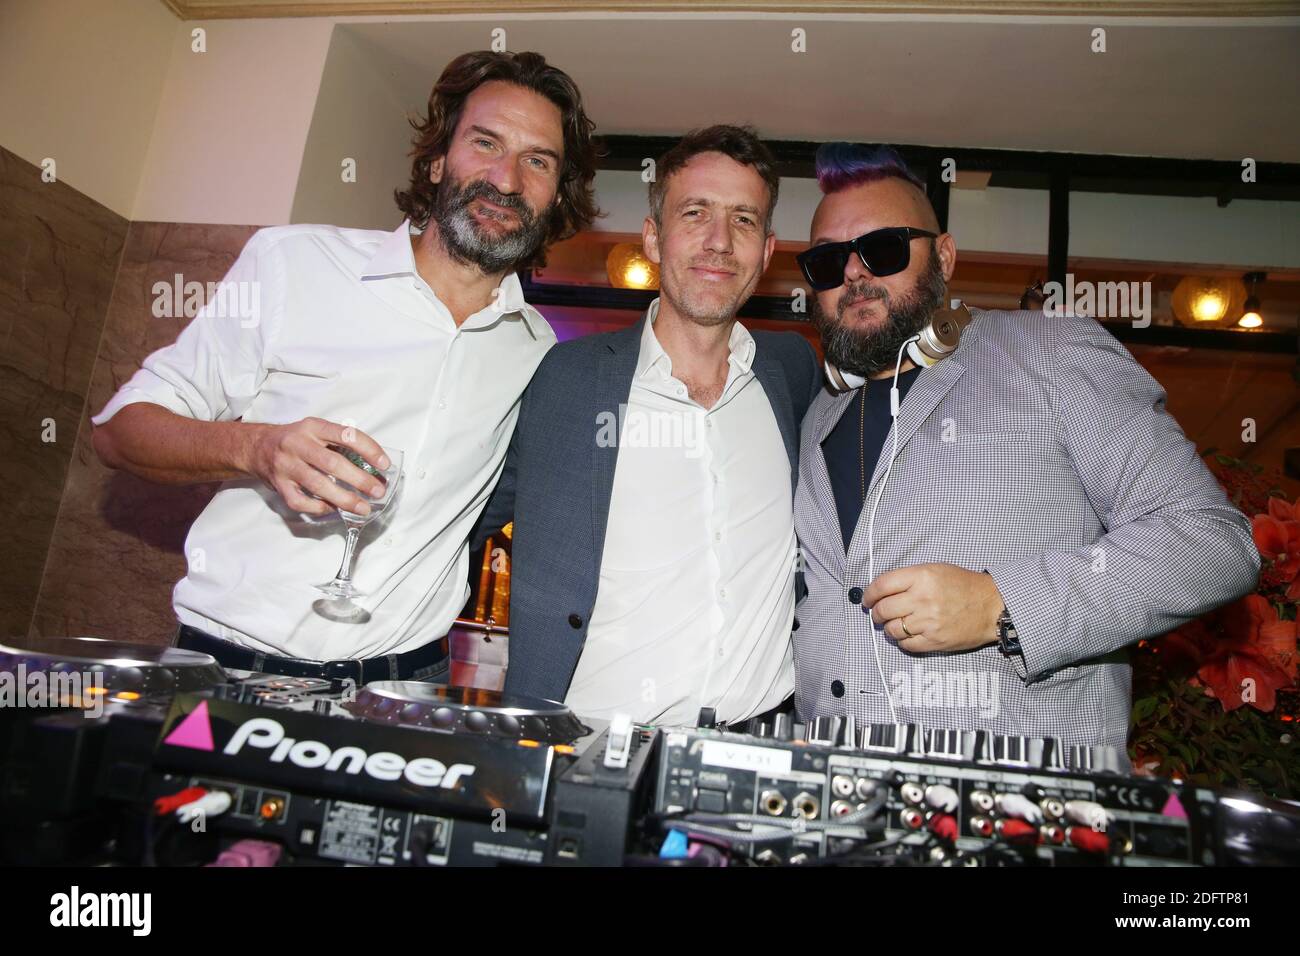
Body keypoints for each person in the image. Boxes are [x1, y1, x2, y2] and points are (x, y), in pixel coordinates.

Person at [90, 51, 600, 684]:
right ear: (439, 157)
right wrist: (257, 448)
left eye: (538, 160)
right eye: (485, 142)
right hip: (222, 672)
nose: (506, 179)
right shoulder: (294, 262)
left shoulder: (538, 354)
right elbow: (118, 430)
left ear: (556, 194)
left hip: (402, 690)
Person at [792, 142, 1259, 752]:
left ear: (946, 256)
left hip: (1025, 811)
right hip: (842, 807)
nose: (854, 274)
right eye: (828, 263)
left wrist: (999, 606)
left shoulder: (1050, 353)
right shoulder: (819, 414)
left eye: (881, 250)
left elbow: (1212, 542)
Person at [474, 126, 821, 724]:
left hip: (760, 744)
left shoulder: (792, 373)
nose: (719, 242)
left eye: (743, 220)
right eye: (696, 213)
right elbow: (461, 518)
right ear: (654, 239)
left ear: (766, 252)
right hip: (585, 749)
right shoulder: (563, 380)